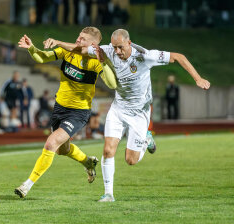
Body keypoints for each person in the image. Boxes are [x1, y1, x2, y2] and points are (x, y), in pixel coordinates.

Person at [53, 28, 211, 202]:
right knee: (107, 150)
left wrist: (197, 78)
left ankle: (145, 140)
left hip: (139, 112)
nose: (117, 52)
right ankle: (108, 194)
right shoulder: (107, 51)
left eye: (120, 47)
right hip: (118, 108)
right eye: (115, 47)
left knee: (131, 160)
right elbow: (79, 49)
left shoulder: (146, 56)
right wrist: (59, 43)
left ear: (129, 43)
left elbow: (179, 57)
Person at [14, 27, 117, 198]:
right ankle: (88, 162)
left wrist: (104, 62)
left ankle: (27, 185)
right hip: (59, 108)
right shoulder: (67, 52)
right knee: (63, 150)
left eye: (82, 39)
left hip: (78, 112)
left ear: (92, 44)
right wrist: (32, 48)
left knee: (51, 143)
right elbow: (41, 56)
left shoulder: (94, 62)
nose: (78, 40)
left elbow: (112, 84)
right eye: (78, 36)